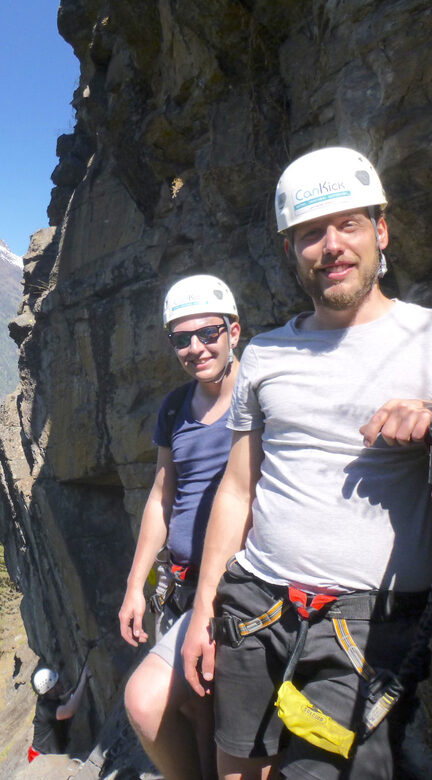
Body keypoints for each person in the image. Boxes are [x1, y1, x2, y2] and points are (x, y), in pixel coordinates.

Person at [182, 147, 432, 780]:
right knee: (238, 770)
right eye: (311, 233)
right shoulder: (265, 355)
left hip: (366, 625)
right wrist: (203, 614)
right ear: (290, 250)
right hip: (253, 604)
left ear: (380, 231)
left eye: (348, 224)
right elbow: (238, 490)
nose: (331, 246)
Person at [119, 274, 241, 780]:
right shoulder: (175, 406)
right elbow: (161, 496)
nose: (196, 348)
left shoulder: (259, 395)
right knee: (187, 707)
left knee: (175, 702)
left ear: (234, 330)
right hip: (182, 586)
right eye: (181, 338)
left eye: (209, 332)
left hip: (238, 589)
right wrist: (135, 586)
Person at [29, 664, 89, 762]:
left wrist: (70, 695)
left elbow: (59, 703)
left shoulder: (47, 700)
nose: (61, 683)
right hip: (41, 757)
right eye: (58, 683)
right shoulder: (46, 709)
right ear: (50, 690)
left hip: (44, 754)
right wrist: (83, 682)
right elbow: (69, 711)